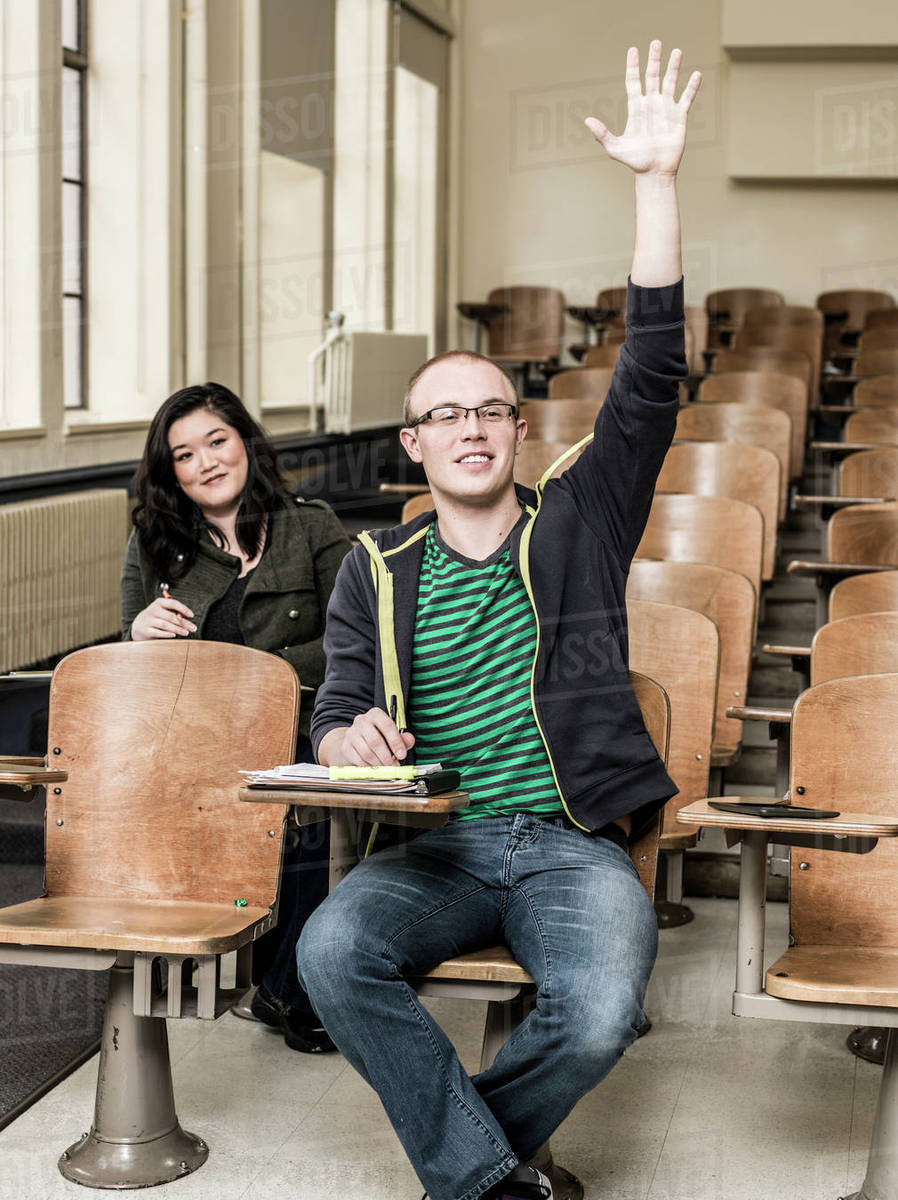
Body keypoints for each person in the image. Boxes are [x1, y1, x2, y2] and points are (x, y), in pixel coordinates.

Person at [299, 40, 701, 1200]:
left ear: (519, 432)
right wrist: (342, 739)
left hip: (570, 845)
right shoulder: (375, 566)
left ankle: (467, 1171)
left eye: (490, 409)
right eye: (445, 415)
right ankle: (496, 1181)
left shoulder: (580, 517)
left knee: (600, 1013)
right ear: (412, 444)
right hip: (434, 846)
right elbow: (335, 705)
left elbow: (650, 377)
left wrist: (655, 183)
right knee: (330, 953)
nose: (470, 428)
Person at [121, 380, 351, 1053]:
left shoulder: (311, 524)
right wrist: (138, 635)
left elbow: (352, 637)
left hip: (301, 725)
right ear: (171, 472)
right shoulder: (154, 542)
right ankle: (256, 978)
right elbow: (125, 660)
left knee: (304, 805)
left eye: (216, 441)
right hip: (198, 735)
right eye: (185, 455)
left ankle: (291, 990)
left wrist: (264, 676)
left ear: (245, 442)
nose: (206, 462)